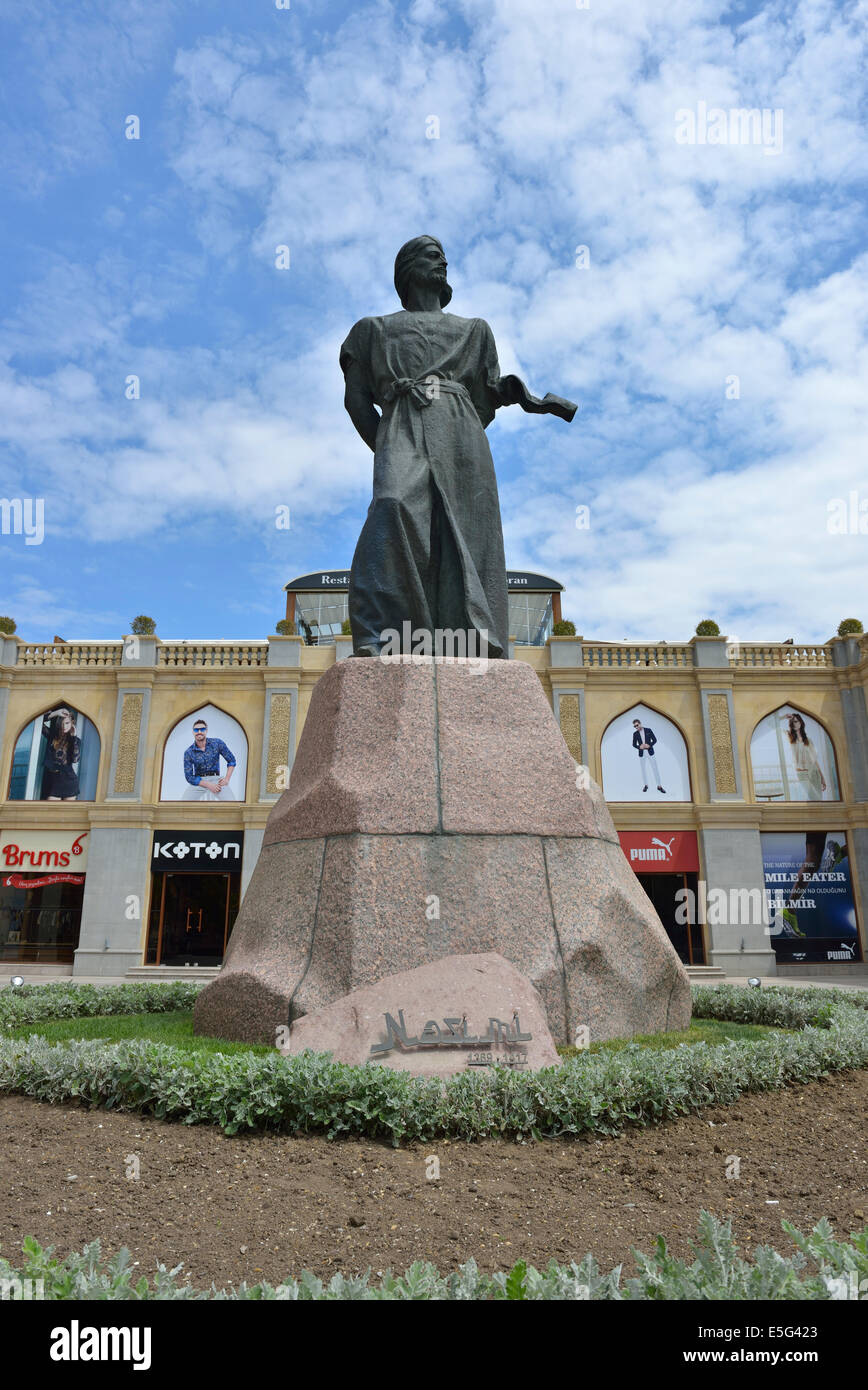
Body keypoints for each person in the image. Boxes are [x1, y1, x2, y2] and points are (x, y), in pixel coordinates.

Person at [341, 235, 576, 658]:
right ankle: (384, 633)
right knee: (392, 505)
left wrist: (521, 395)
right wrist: (388, 446)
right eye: (433, 257)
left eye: (444, 259)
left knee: (467, 532)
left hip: (460, 431)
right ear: (408, 269)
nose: (443, 264)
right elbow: (356, 399)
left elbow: (485, 394)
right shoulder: (373, 330)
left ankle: (469, 638)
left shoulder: (474, 331)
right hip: (402, 421)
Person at [182, 719, 237, 801]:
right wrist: (208, 785)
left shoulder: (217, 743)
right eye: (196, 730)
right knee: (183, 803)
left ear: (206, 731)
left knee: (231, 802)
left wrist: (226, 779)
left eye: (202, 729)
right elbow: (189, 777)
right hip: (199, 782)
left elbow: (232, 760)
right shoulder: (188, 752)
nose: (199, 732)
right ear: (193, 732)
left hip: (216, 779)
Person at [780, 712, 826, 800]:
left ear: (801, 723)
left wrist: (822, 778)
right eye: (792, 722)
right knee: (814, 799)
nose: (794, 724)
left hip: (814, 772)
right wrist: (784, 717)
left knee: (819, 800)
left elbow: (814, 760)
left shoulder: (808, 740)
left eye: (796, 721)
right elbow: (771, 724)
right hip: (801, 774)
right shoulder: (789, 737)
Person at [40, 706, 81, 801]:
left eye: (67, 723)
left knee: (66, 814)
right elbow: (38, 722)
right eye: (62, 723)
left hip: (69, 782)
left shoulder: (75, 740)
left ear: (72, 723)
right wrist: (56, 712)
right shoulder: (52, 735)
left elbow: (75, 759)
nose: (64, 726)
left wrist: (74, 737)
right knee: (51, 812)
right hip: (53, 781)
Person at [632, 718, 666, 793]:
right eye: (634, 726)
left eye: (637, 725)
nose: (636, 727)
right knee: (643, 770)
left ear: (640, 723)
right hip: (641, 753)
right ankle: (646, 785)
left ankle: (659, 786)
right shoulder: (635, 734)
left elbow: (654, 740)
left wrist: (649, 745)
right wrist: (639, 747)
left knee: (655, 768)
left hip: (650, 752)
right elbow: (633, 744)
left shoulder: (648, 730)